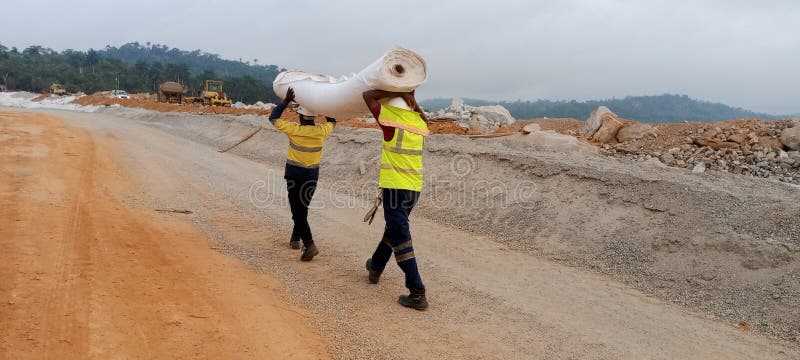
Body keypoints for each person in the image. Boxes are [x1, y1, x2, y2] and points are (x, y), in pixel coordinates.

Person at [362, 89, 431, 310]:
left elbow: (367, 96)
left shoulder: (390, 123)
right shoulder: (420, 123)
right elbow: (422, 115)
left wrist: (394, 88)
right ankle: (376, 265)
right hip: (414, 189)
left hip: (395, 187)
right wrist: (410, 95)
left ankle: (417, 292)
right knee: (394, 230)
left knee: (400, 237)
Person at [268, 87, 336, 261]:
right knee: (302, 209)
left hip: (294, 177)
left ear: (299, 116)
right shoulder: (322, 131)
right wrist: (323, 106)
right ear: (314, 117)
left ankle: (309, 243)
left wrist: (284, 102)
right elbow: (333, 121)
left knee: (297, 211)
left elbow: (273, 118)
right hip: (311, 178)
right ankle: (295, 239)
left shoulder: (294, 130)